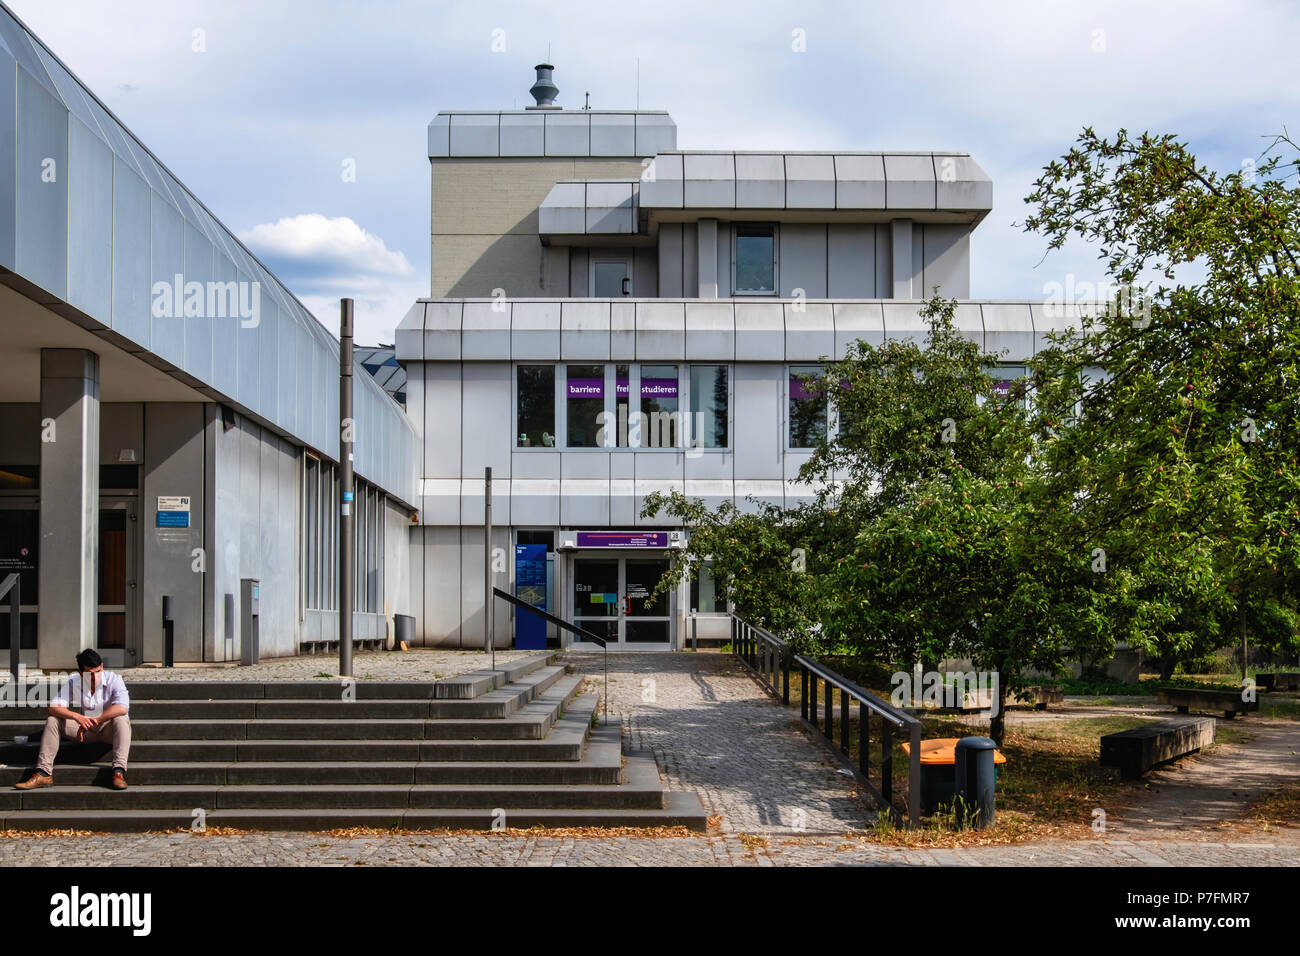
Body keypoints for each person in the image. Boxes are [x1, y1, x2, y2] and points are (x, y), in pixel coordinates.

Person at [13, 649, 132, 791]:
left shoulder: (115, 679)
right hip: (83, 731)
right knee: (53, 720)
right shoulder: (73, 681)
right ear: (81, 673)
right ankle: (44, 773)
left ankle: (118, 773)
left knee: (121, 720)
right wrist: (78, 717)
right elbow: (54, 707)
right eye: (90, 674)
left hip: (108, 730)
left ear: (102, 666)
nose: (95, 677)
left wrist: (96, 720)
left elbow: (122, 707)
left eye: (98, 671)